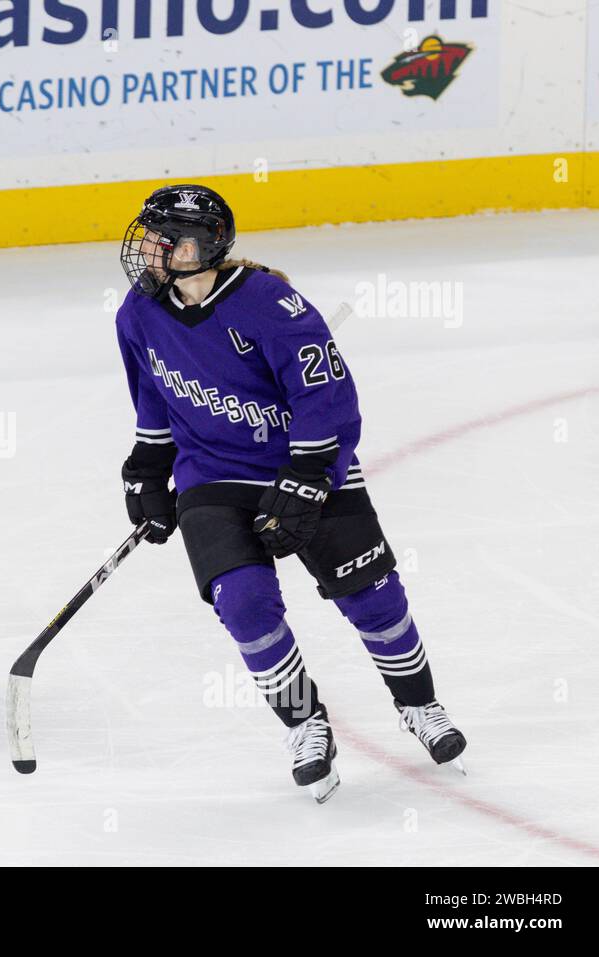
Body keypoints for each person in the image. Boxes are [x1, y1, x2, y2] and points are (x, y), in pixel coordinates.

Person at [114, 184, 465, 801]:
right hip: (212, 477)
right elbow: (155, 400)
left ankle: (421, 706)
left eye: (167, 239)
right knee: (245, 605)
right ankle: (307, 725)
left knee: (372, 599)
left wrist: (306, 479)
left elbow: (327, 396)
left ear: (206, 247)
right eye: (150, 236)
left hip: (304, 466)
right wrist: (147, 465)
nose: (150, 249)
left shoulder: (268, 303)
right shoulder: (137, 314)